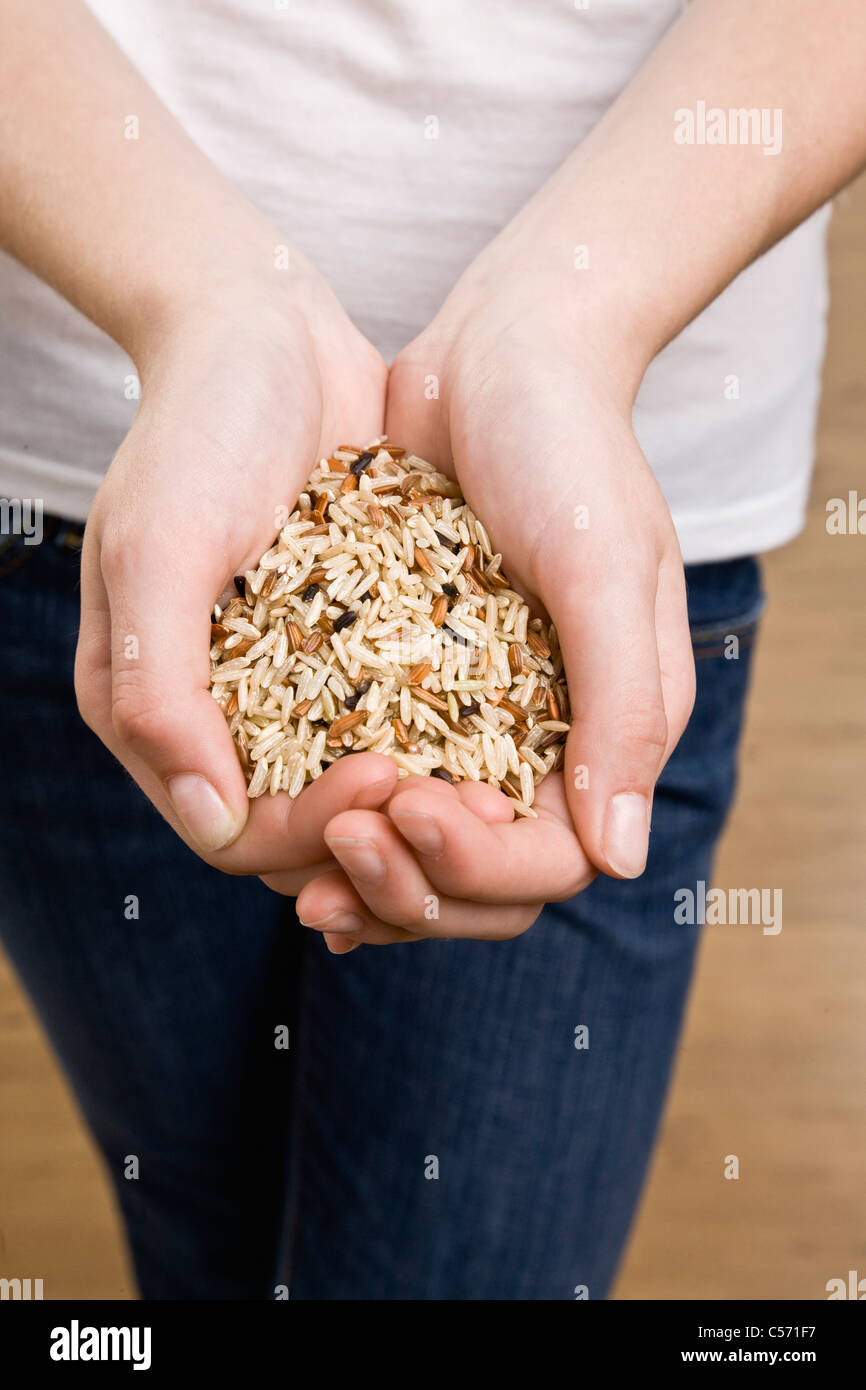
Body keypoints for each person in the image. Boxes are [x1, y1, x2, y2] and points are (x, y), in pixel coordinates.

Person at [0, 0, 862, 1299]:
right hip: (87, 449)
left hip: (597, 540)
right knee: (198, 1218)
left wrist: (571, 318)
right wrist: (197, 298)